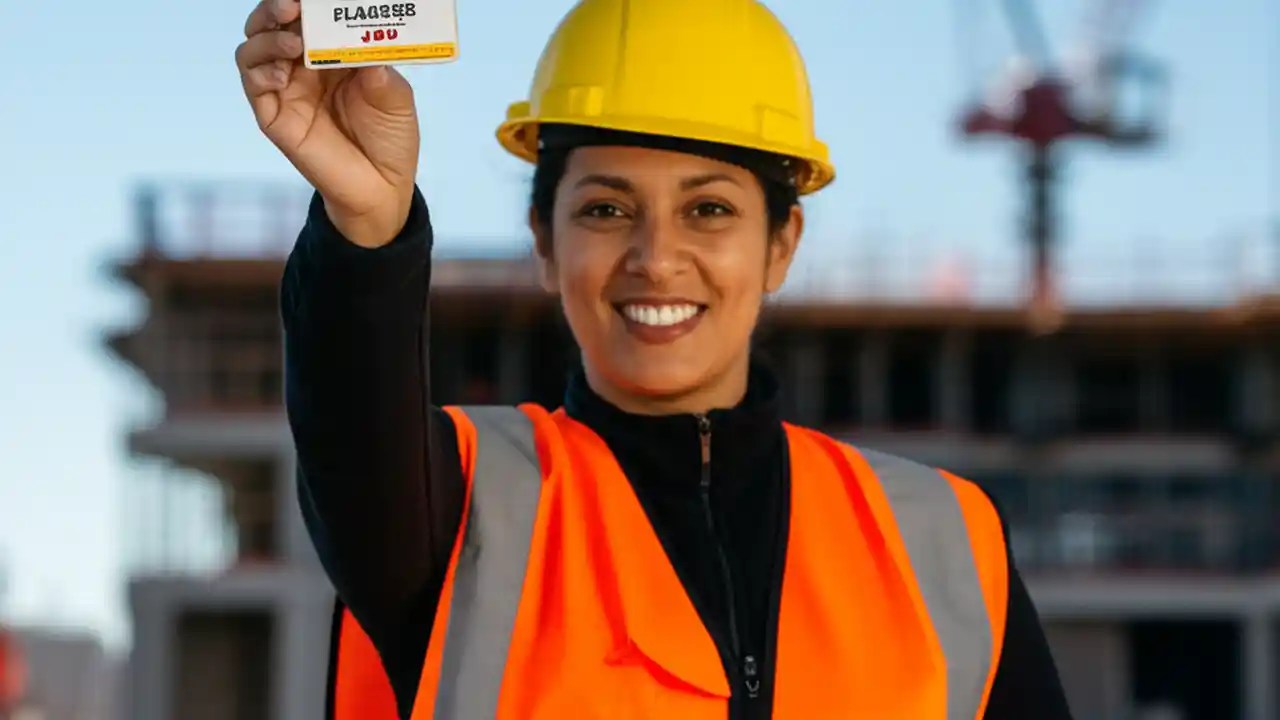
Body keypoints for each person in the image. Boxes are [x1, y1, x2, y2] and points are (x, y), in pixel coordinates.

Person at [236, 0, 1073, 717]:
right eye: (605, 209)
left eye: (708, 209)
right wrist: (365, 228)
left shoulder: (948, 543)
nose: (656, 257)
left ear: (782, 243)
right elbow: (353, 431)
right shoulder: (458, 506)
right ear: (544, 240)